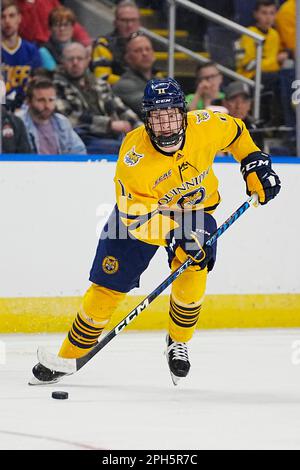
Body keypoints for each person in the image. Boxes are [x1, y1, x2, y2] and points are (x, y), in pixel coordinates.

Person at [30, 77, 281, 386]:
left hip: (195, 212)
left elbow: (237, 133)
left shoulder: (206, 124)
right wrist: (172, 234)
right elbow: (134, 213)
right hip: (137, 219)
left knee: (193, 269)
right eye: (156, 117)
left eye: (171, 115)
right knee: (105, 291)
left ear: (184, 113)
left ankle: (178, 342)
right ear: (147, 119)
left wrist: (255, 163)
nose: (165, 124)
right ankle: (68, 356)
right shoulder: (134, 155)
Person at [54, 42, 141, 154]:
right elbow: (68, 117)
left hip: (111, 137)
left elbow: (121, 108)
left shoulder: (100, 84)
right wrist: (109, 124)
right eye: (70, 59)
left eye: (79, 58)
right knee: (125, 150)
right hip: (81, 138)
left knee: (137, 145)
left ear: (87, 60)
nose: (75, 63)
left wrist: (141, 129)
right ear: (62, 61)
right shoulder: (56, 85)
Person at [236, 0, 288, 125]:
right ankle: (276, 122)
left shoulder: (274, 35)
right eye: (264, 13)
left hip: (268, 76)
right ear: (256, 14)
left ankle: (279, 122)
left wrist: (273, 63)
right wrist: (275, 61)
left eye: (271, 13)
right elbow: (249, 65)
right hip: (248, 77)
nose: (268, 17)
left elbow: (266, 63)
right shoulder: (249, 34)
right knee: (281, 79)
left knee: (287, 76)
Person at [19, 78, 86, 155]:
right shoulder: (19, 123)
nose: (47, 106)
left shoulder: (62, 122)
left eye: (51, 100)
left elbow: (79, 151)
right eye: (41, 100)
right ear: (28, 101)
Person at [1, 0, 42, 111]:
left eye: (11, 16)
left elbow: (38, 84)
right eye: (2, 17)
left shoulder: (32, 50)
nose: (7, 21)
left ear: (19, 18)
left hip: (27, 109)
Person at [112, 31, 162, 119]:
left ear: (154, 55)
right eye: (137, 51)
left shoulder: (161, 81)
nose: (144, 53)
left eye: (148, 49)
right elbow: (153, 108)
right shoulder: (124, 85)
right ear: (128, 58)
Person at [92, 0, 141, 84]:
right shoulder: (104, 44)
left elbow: (154, 72)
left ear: (139, 23)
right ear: (115, 22)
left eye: (133, 20)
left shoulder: (144, 44)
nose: (129, 25)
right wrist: (135, 84)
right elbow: (102, 77)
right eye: (124, 20)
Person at [17, 0, 92, 47]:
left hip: (55, 46)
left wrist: (87, 43)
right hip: (34, 50)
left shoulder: (49, 1)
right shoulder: (14, 7)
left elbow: (67, 20)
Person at [224, 81, 264, 149]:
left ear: (249, 105)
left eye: (244, 101)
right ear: (224, 103)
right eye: (233, 101)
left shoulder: (256, 128)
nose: (238, 106)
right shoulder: (218, 125)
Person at [39, 6, 79, 71]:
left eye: (66, 25)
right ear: (50, 29)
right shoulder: (43, 51)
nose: (62, 29)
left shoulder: (79, 47)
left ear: (72, 28)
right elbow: (54, 74)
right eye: (57, 25)